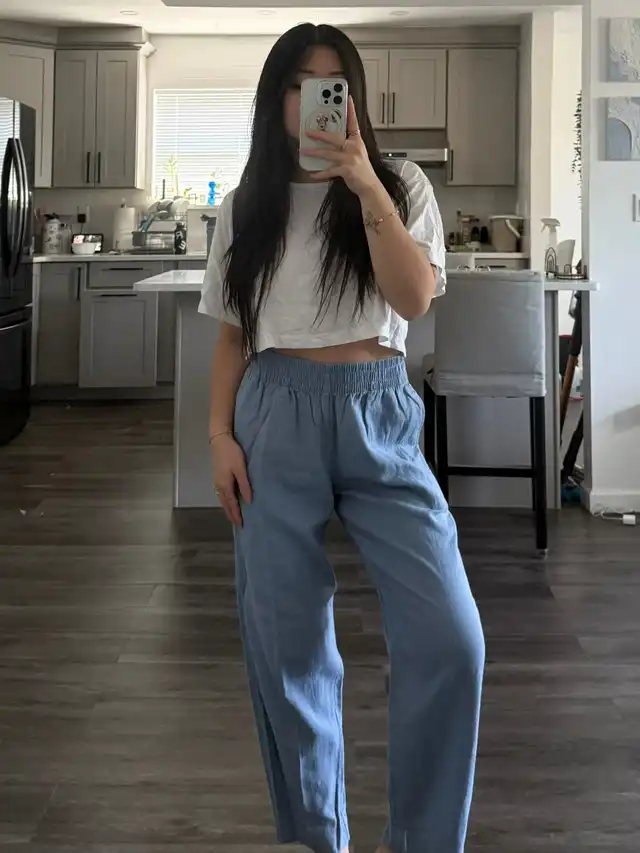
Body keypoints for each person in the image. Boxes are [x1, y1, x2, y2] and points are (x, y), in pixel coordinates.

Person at [199, 22, 485, 853]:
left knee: (452, 637)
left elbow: (414, 298)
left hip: (378, 410)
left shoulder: (399, 184)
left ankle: (422, 838)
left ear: (353, 96)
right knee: (287, 646)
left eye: (331, 84)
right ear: (276, 97)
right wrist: (218, 434)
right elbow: (232, 335)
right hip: (272, 413)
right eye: (298, 83)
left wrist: (364, 185)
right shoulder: (247, 204)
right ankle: (324, 837)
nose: (314, 99)